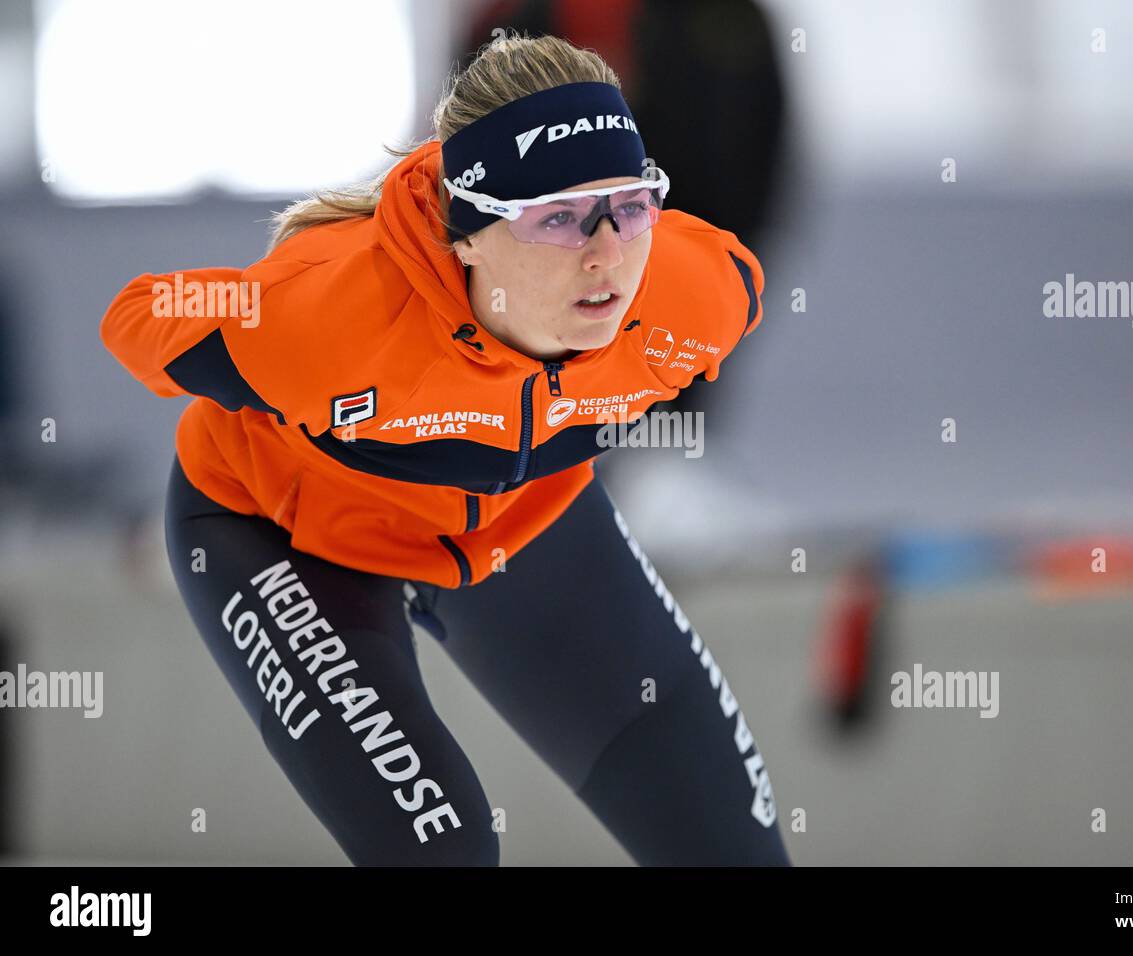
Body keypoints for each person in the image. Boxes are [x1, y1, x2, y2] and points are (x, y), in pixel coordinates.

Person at [99, 32, 789, 866]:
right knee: (441, 849)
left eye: (631, 205)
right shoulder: (333, 316)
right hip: (286, 539)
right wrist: (254, 361)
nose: (609, 255)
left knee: (727, 846)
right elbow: (138, 313)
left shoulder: (695, 294)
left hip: (520, 528)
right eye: (560, 219)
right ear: (467, 233)